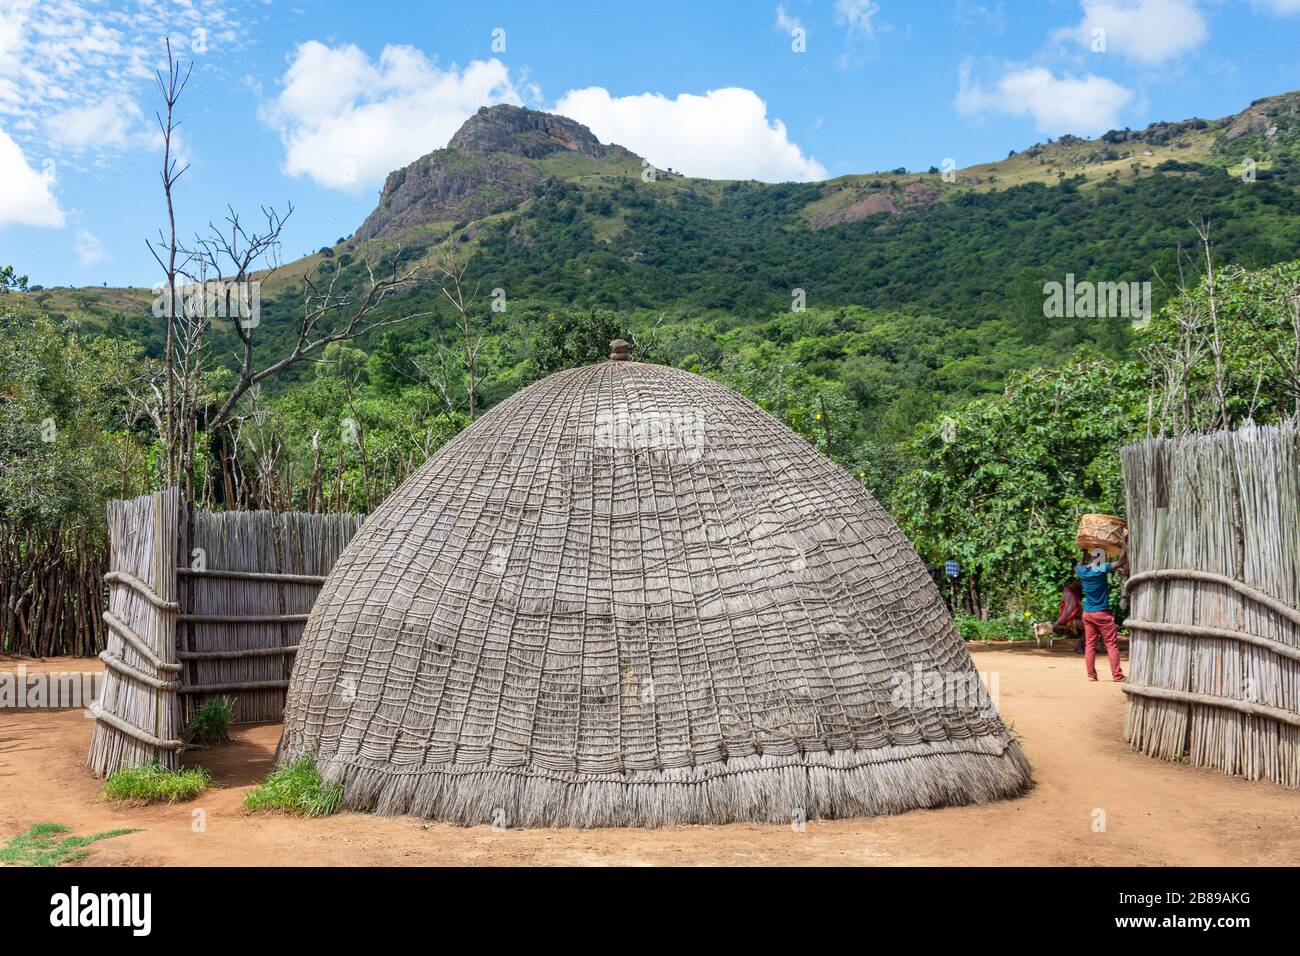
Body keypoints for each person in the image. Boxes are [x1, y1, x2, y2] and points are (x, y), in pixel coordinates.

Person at [1076, 543, 1127, 682]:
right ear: (1102, 558)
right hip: (1102, 613)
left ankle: (1091, 675)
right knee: (1111, 644)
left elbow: (1078, 565)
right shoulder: (1101, 569)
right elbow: (1121, 561)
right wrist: (1124, 541)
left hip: (1087, 613)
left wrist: (1083, 552)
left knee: (1090, 644)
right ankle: (1117, 675)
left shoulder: (1082, 571)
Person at [1050, 579, 1084, 651]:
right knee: (1090, 626)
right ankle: (1080, 645)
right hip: (1071, 619)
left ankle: (1084, 645)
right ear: (1075, 581)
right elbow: (1068, 610)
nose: (1082, 584)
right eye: (1080, 582)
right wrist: (1059, 621)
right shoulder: (1069, 593)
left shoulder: (1072, 592)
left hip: (1072, 617)